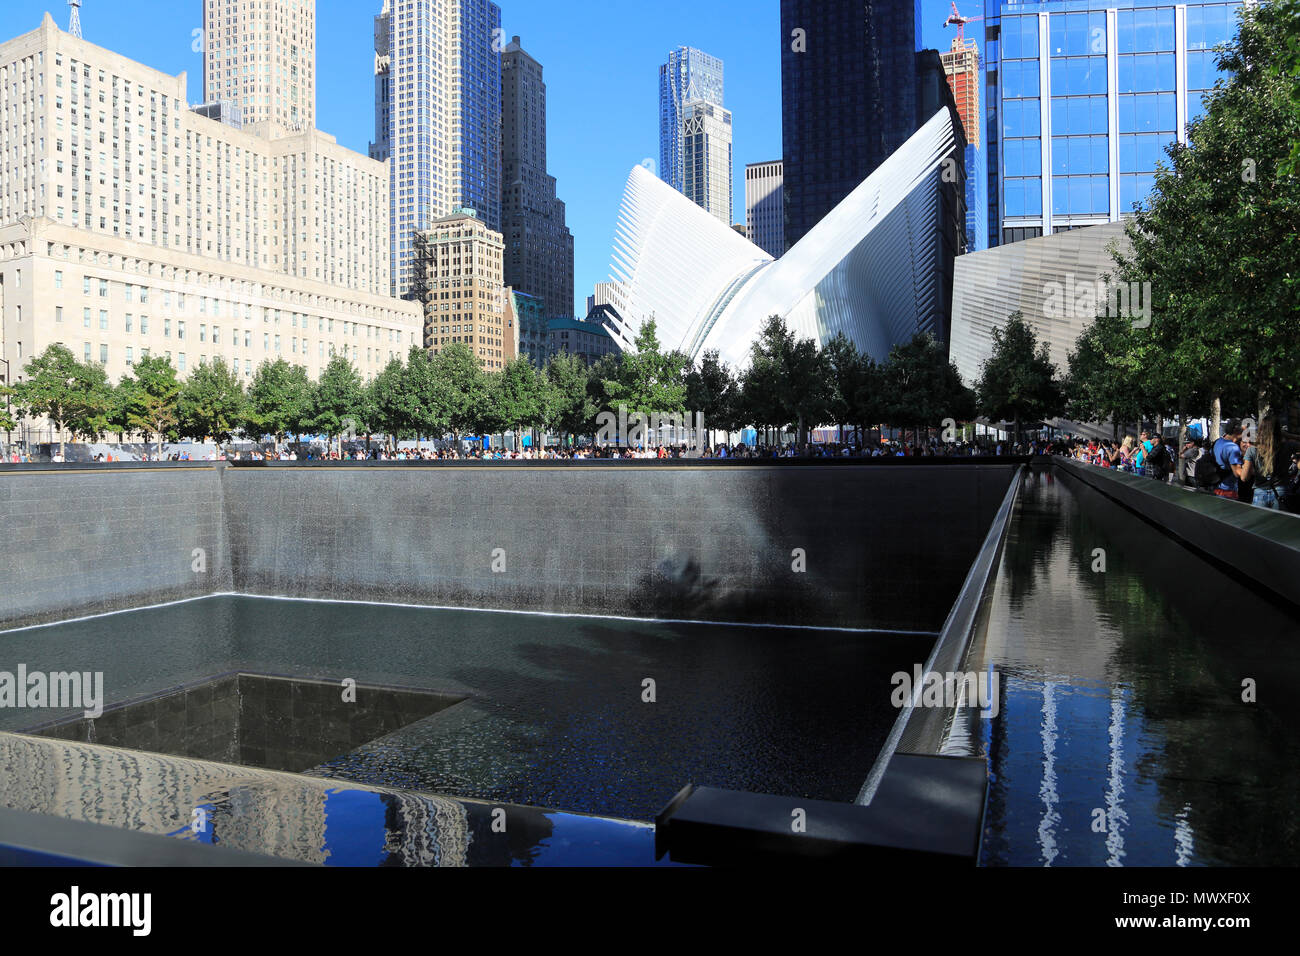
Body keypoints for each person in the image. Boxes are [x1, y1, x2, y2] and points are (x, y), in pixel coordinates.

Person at [1212, 420, 1248, 501]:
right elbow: (1237, 473)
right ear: (1236, 431)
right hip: (1228, 491)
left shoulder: (1218, 442)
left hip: (1216, 487)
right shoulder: (1233, 448)